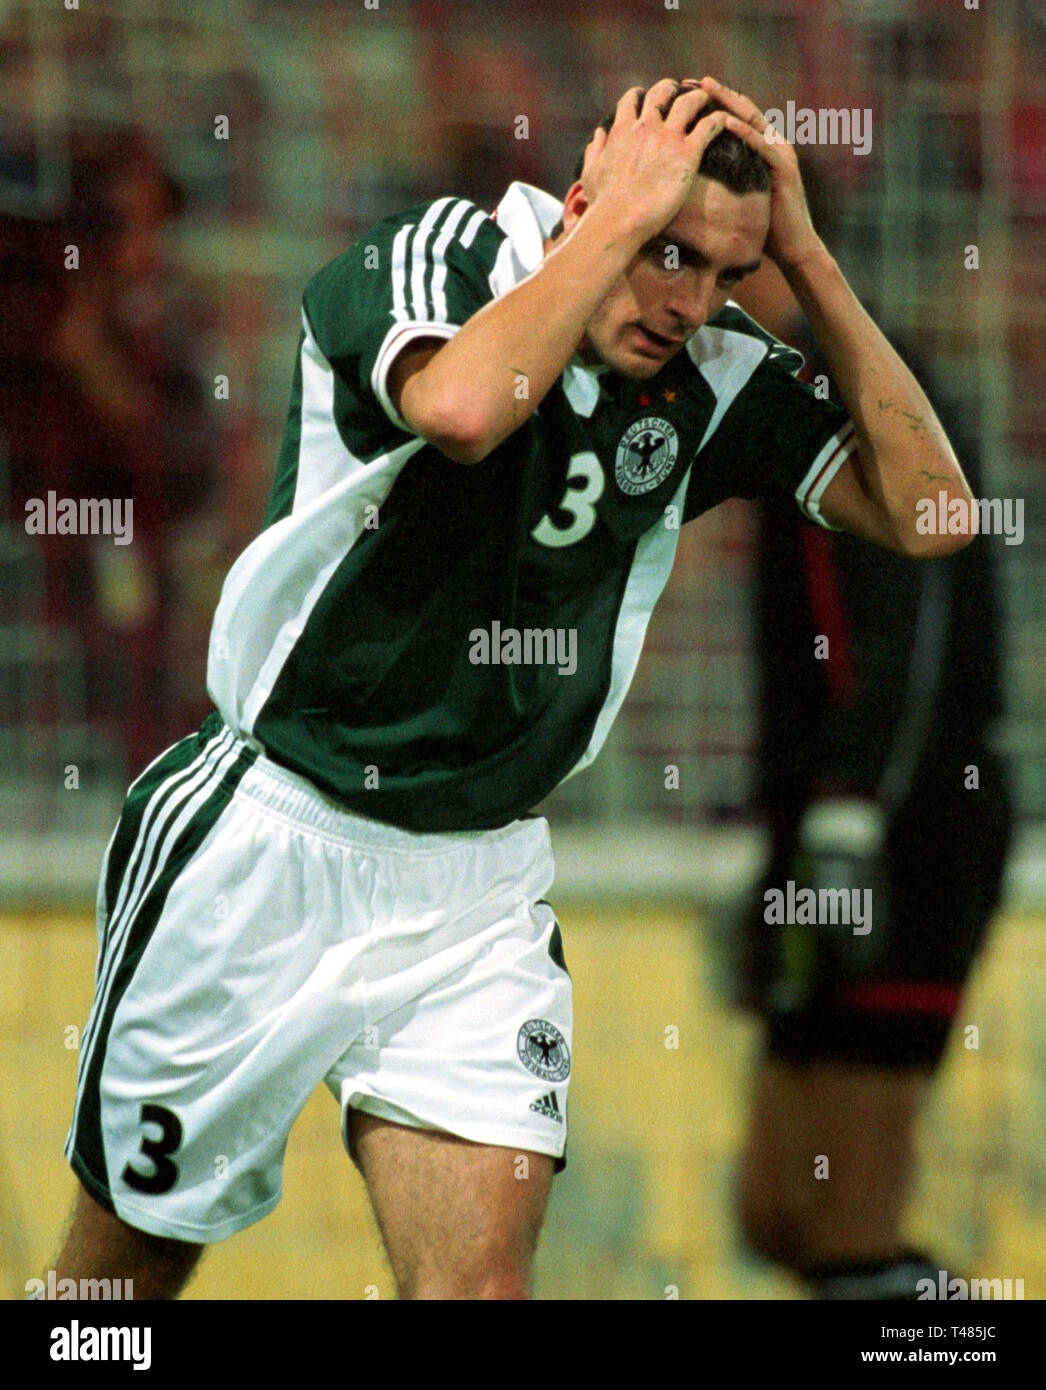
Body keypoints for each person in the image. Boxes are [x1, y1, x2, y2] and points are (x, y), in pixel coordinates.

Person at [52, 76, 977, 1300]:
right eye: (665, 250)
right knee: (114, 1294)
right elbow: (464, 409)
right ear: (593, 191)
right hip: (268, 841)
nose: (687, 300)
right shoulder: (437, 257)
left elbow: (934, 512)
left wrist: (803, 261)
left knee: (481, 1291)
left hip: (472, 888)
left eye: (721, 271)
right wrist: (609, 230)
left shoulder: (712, 368)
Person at [727, 262, 1011, 1299]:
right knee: (776, 1207)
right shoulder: (782, 391)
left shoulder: (847, 394)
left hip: (908, 826)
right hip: (831, 824)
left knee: (846, 1217)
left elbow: (898, 623)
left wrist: (847, 817)